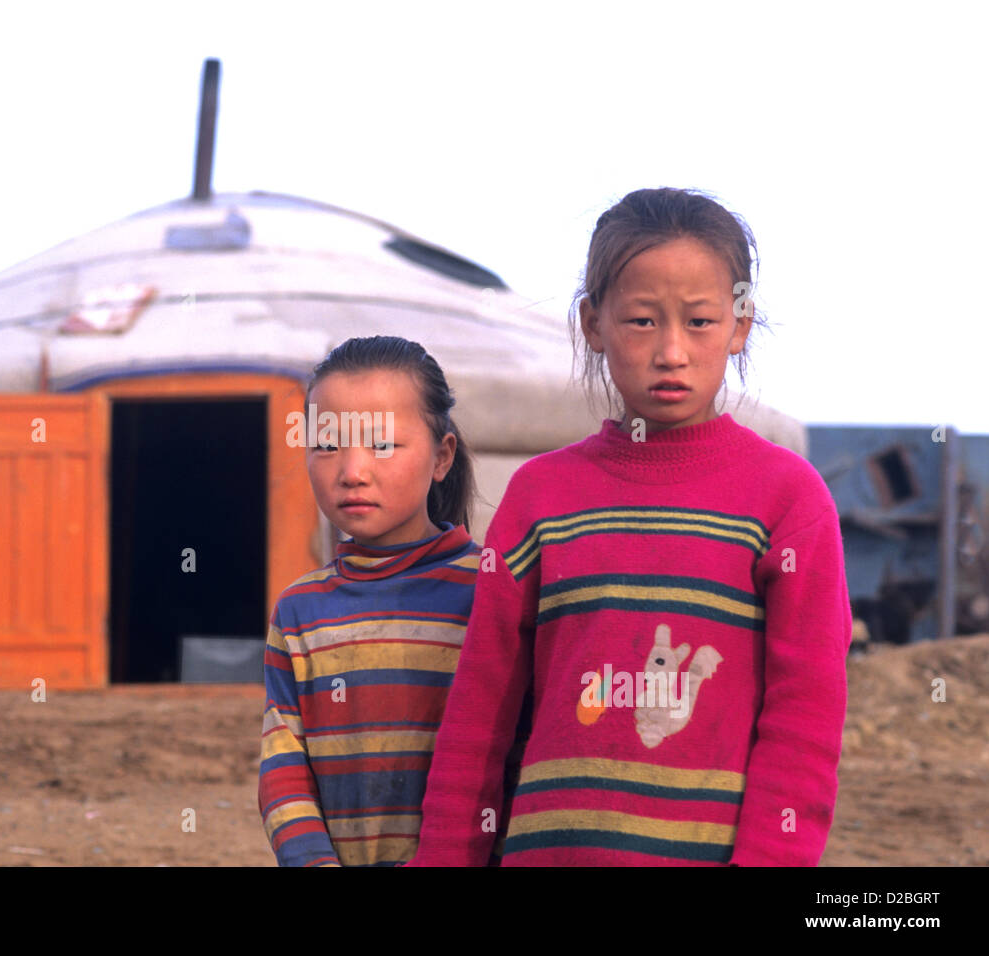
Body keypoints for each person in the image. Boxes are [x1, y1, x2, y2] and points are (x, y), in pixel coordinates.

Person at [405, 187, 852, 867]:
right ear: (592, 323)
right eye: (642, 321)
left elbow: (803, 720)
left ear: (739, 326)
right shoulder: (541, 496)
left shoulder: (786, 501)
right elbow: (481, 709)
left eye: (700, 322)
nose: (671, 351)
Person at [258, 335, 495, 866]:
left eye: (382, 444)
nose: (352, 471)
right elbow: (283, 767)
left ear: (442, 456)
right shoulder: (299, 612)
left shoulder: (489, 592)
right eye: (327, 444)